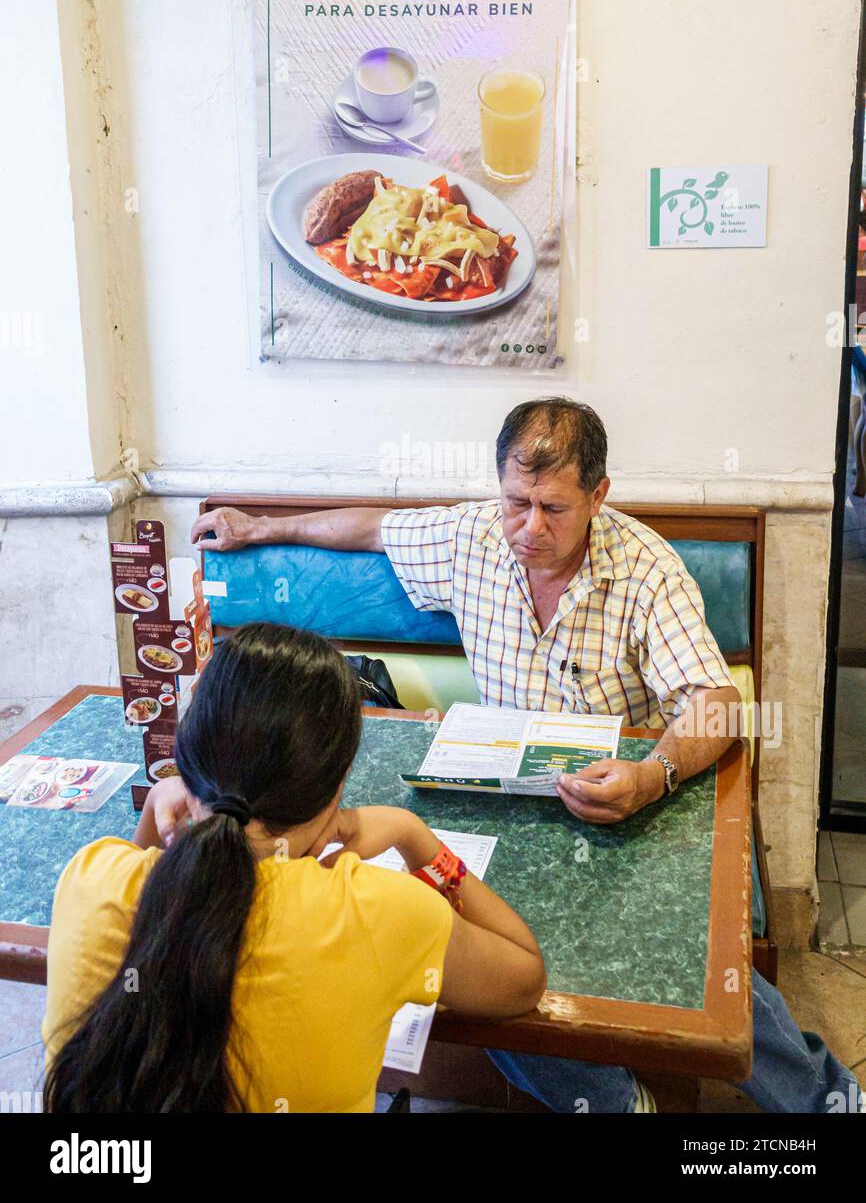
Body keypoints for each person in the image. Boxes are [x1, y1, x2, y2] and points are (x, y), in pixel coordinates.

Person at [192, 397, 863, 1113]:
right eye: (517, 502)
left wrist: (650, 775)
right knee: (481, 966)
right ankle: (613, 1101)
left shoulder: (645, 570)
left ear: (598, 496)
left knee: (697, 957)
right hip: (497, 802)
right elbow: (372, 529)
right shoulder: (473, 535)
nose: (530, 528)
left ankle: (825, 1098)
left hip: (622, 809)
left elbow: (719, 702)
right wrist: (261, 527)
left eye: (554, 508)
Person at [42, 624, 546, 1113]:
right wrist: (414, 834)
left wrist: (157, 805)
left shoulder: (90, 876)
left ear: (186, 758)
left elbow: (149, 877)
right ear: (338, 785)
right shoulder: (379, 909)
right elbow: (523, 979)